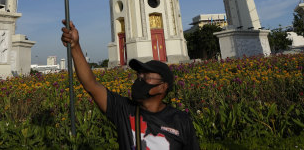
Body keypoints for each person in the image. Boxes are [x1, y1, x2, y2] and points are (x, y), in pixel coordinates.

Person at [61, 20, 200, 150]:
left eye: (147, 75)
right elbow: (91, 84)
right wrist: (75, 46)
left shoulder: (180, 121)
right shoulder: (123, 110)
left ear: (163, 87)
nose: (140, 78)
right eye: (139, 74)